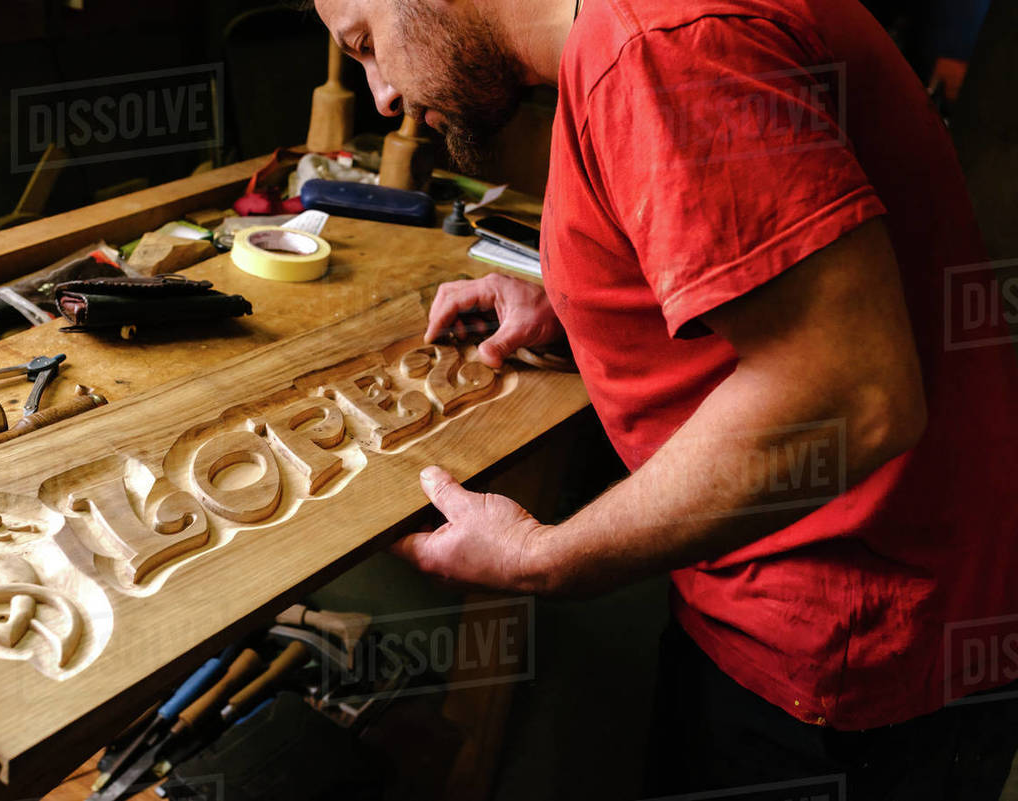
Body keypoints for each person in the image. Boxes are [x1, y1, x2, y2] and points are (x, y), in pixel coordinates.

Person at [310, 0, 1018, 796]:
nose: (381, 96)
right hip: (855, 600)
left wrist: (547, 557)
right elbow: (773, 250)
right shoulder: (631, 33)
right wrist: (586, 308)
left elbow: (855, 393)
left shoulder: (654, 44)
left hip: (851, 645)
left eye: (366, 43)